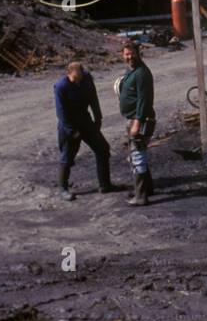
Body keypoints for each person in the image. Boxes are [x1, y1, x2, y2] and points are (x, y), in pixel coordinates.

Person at [53, 61, 113, 201]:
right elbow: (61, 112)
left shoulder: (87, 79)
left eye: (79, 77)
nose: (77, 81)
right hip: (69, 125)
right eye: (75, 78)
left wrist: (98, 118)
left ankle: (105, 184)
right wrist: (71, 131)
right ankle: (63, 188)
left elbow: (93, 99)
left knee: (103, 149)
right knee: (67, 156)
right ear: (68, 74)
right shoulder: (61, 86)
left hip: (85, 121)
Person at [118, 40, 156, 206]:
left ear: (138, 53)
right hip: (134, 118)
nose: (129, 57)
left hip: (141, 119)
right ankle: (148, 188)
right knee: (138, 154)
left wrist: (137, 123)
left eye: (132, 53)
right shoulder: (132, 70)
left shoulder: (141, 73)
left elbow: (143, 100)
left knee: (137, 156)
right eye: (126, 54)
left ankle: (141, 196)